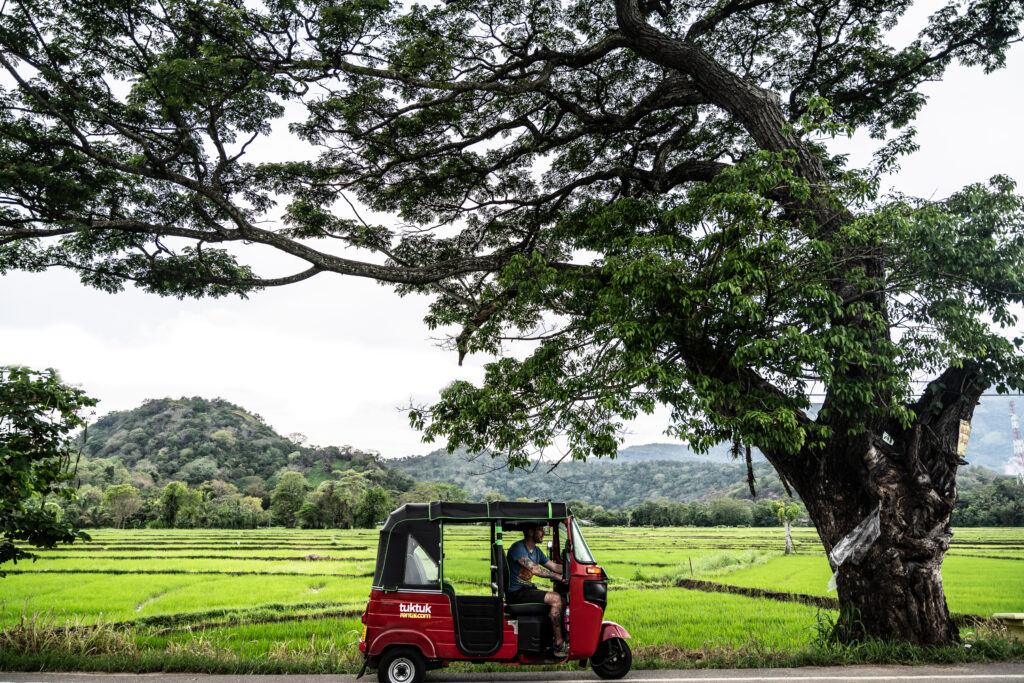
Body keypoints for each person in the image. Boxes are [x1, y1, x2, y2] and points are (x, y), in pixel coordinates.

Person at [506, 523, 568, 657]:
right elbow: (535, 569)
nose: (543, 533)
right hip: (517, 593)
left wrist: (573, 569)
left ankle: (550, 639)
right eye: (540, 530)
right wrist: (558, 578)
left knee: (562, 600)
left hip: (526, 590)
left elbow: (554, 566)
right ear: (530, 532)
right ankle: (558, 644)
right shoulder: (518, 548)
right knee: (556, 599)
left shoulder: (537, 551)